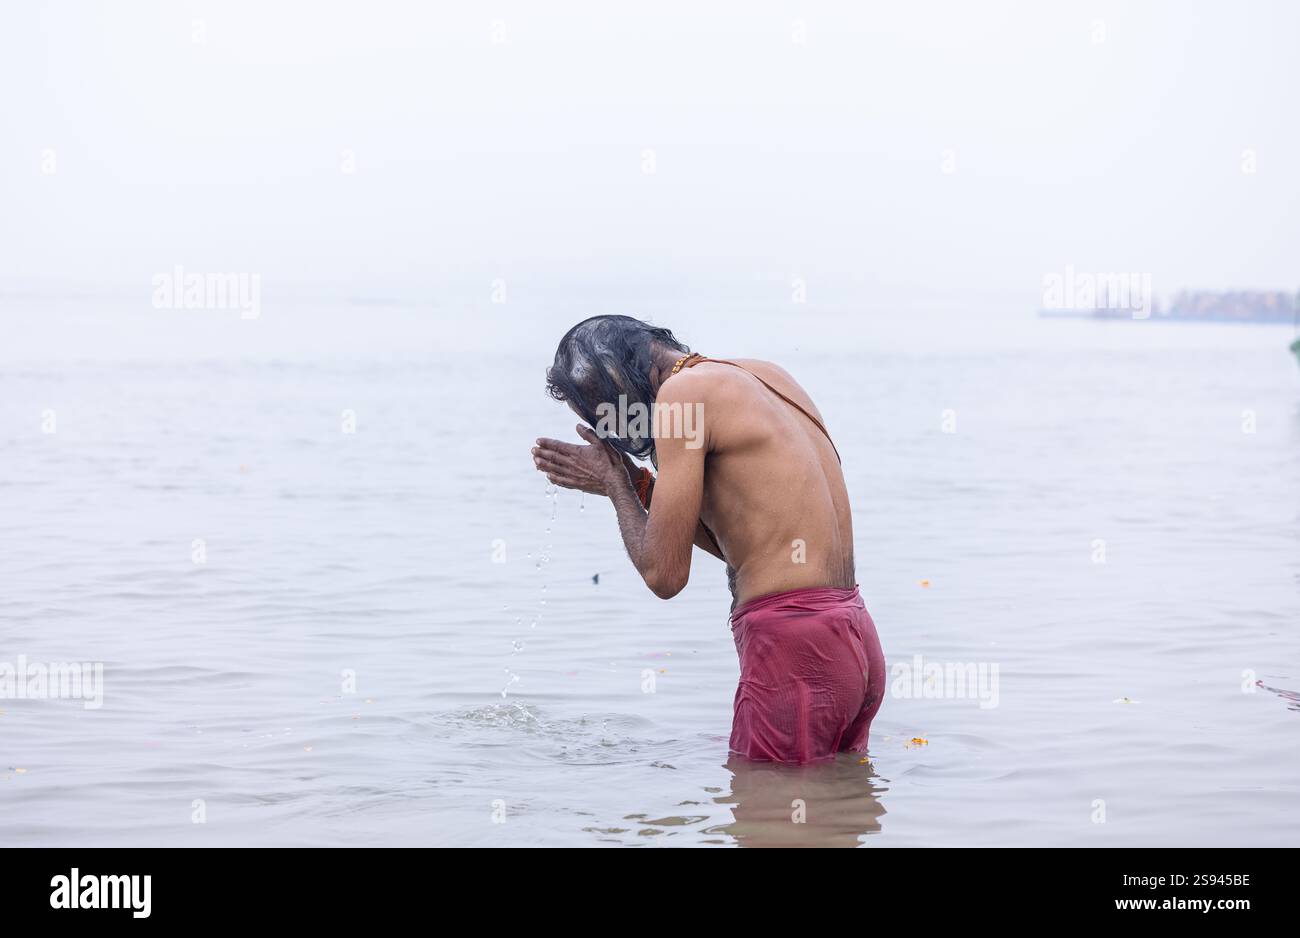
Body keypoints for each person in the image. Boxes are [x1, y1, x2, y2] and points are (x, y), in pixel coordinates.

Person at [533, 315, 884, 764]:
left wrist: (614, 486)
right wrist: (635, 483)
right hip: (852, 637)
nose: (612, 431)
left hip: (793, 648)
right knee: (832, 813)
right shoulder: (762, 375)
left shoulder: (681, 399)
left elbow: (665, 575)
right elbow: (739, 541)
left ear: (617, 385)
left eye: (602, 412)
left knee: (767, 820)